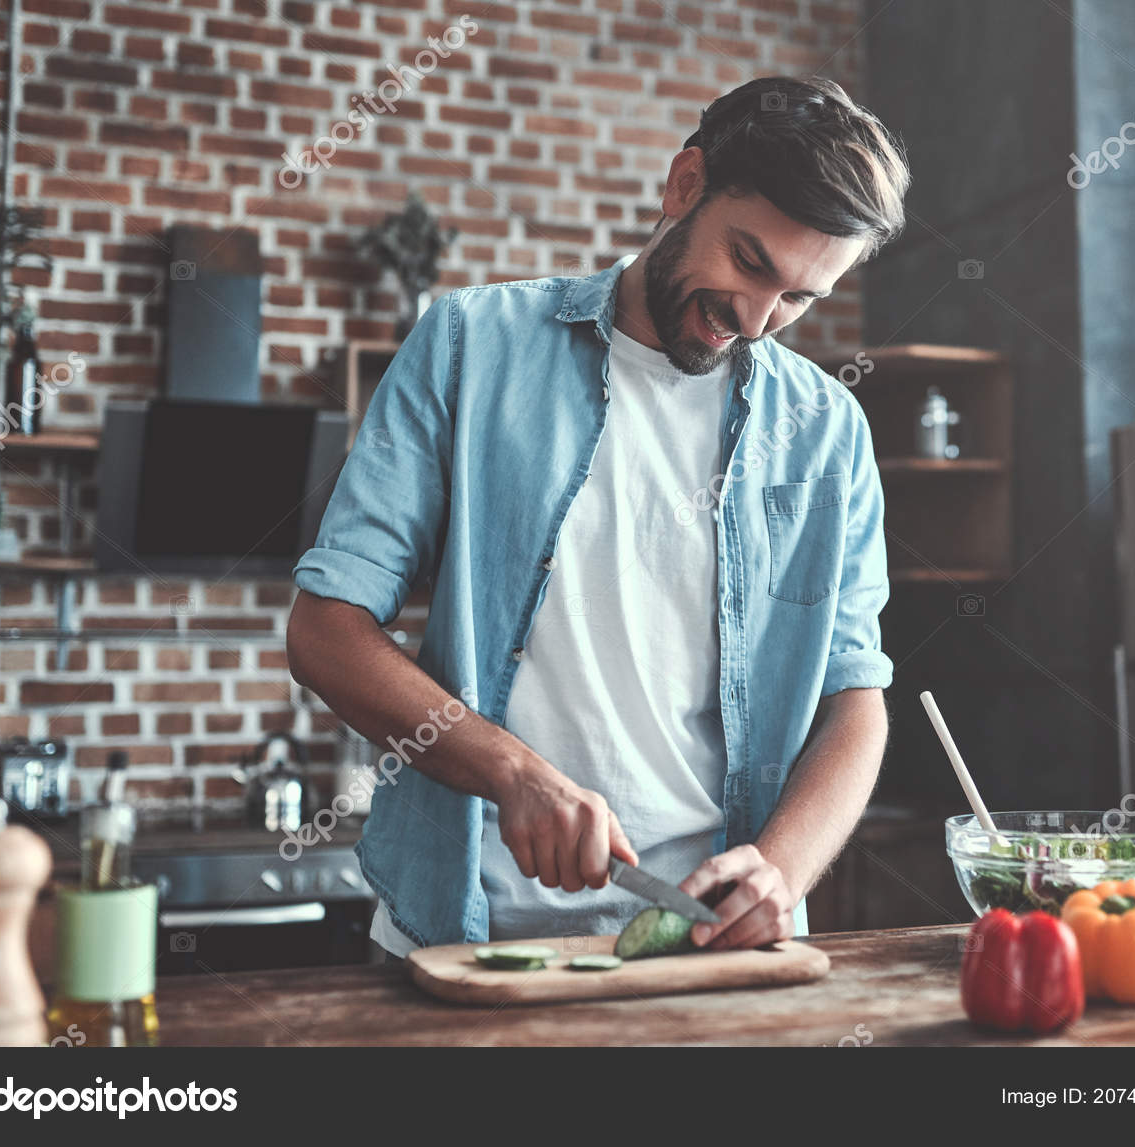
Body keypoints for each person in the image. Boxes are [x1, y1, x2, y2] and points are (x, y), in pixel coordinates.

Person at [286, 75, 911, 955]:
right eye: (749, 262)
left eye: (800, 299)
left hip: (705, 952)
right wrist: (513, 774)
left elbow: (856, 696)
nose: (758, 320)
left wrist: (782, 867)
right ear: (684, 185)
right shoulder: (471, 344)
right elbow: (325, 630)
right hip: (469, 941)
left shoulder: (826, 428)